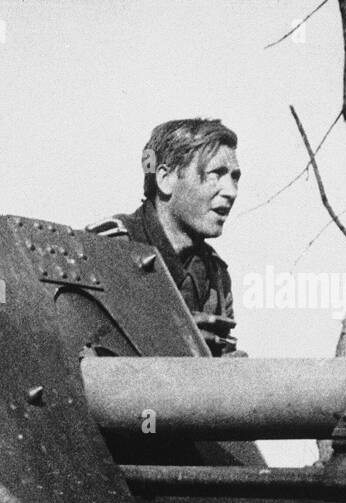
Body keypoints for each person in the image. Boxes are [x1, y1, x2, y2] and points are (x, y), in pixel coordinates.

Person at [89, 119, 242, 355]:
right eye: (216, 174)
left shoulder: (216, 275)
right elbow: (81, 353)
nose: (231, 191)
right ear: (165, 179)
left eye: (234, 177)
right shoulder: (108, 247)